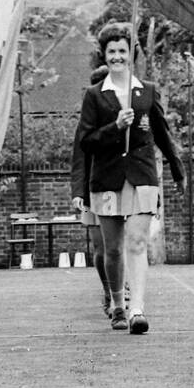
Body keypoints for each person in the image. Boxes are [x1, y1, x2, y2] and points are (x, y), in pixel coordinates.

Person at [77, 22, 183, 332]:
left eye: (123, 51)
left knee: (136, 242)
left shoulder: (147, 91)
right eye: (112, 51)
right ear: (104, 55)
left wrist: (177, 169)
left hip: (142, 176)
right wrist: (116, 128)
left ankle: (137, 310)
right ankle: (117, 304)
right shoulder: (94, 96)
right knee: (112, 250)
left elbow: (162, 134)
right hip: (107, 178)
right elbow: (86, 141)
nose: (117, 57)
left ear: (131, 54)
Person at [72, 65, 113, 317]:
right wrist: (78, 191)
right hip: (93, 192)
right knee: (101, 248)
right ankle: (109, 291)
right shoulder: (85, 124)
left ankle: (121, 290)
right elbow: (79, 160)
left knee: (119, 247)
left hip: (119, 189)